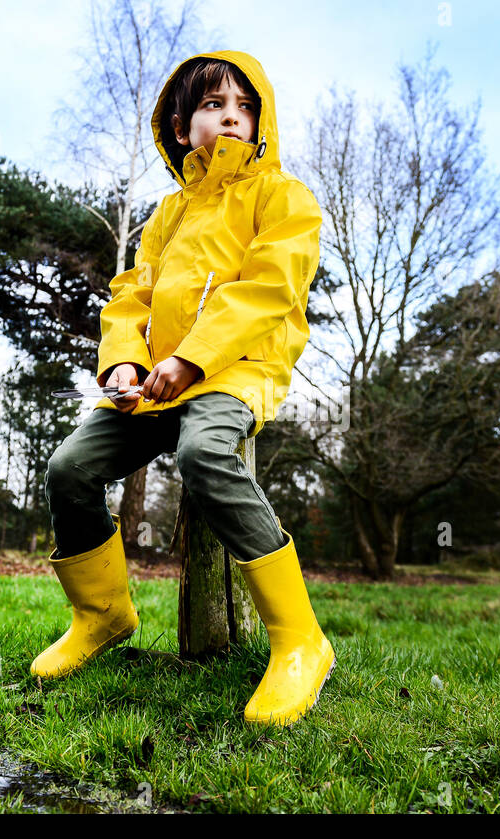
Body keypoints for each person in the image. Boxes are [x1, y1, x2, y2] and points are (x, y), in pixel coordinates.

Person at [32, 50, 335, 727]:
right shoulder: (166, 215)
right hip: (156, 384)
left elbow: (266, 291)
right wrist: (122, 365)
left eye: (244, 106)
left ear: (261, 122)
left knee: (202, 456)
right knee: (69, 468)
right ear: (179, 126)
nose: (231, 116)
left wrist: (194, 361)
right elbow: (130, 296)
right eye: (213, 105)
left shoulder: (284, 197)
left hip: (236, 371)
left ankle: (299, 639)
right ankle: (102, 614)